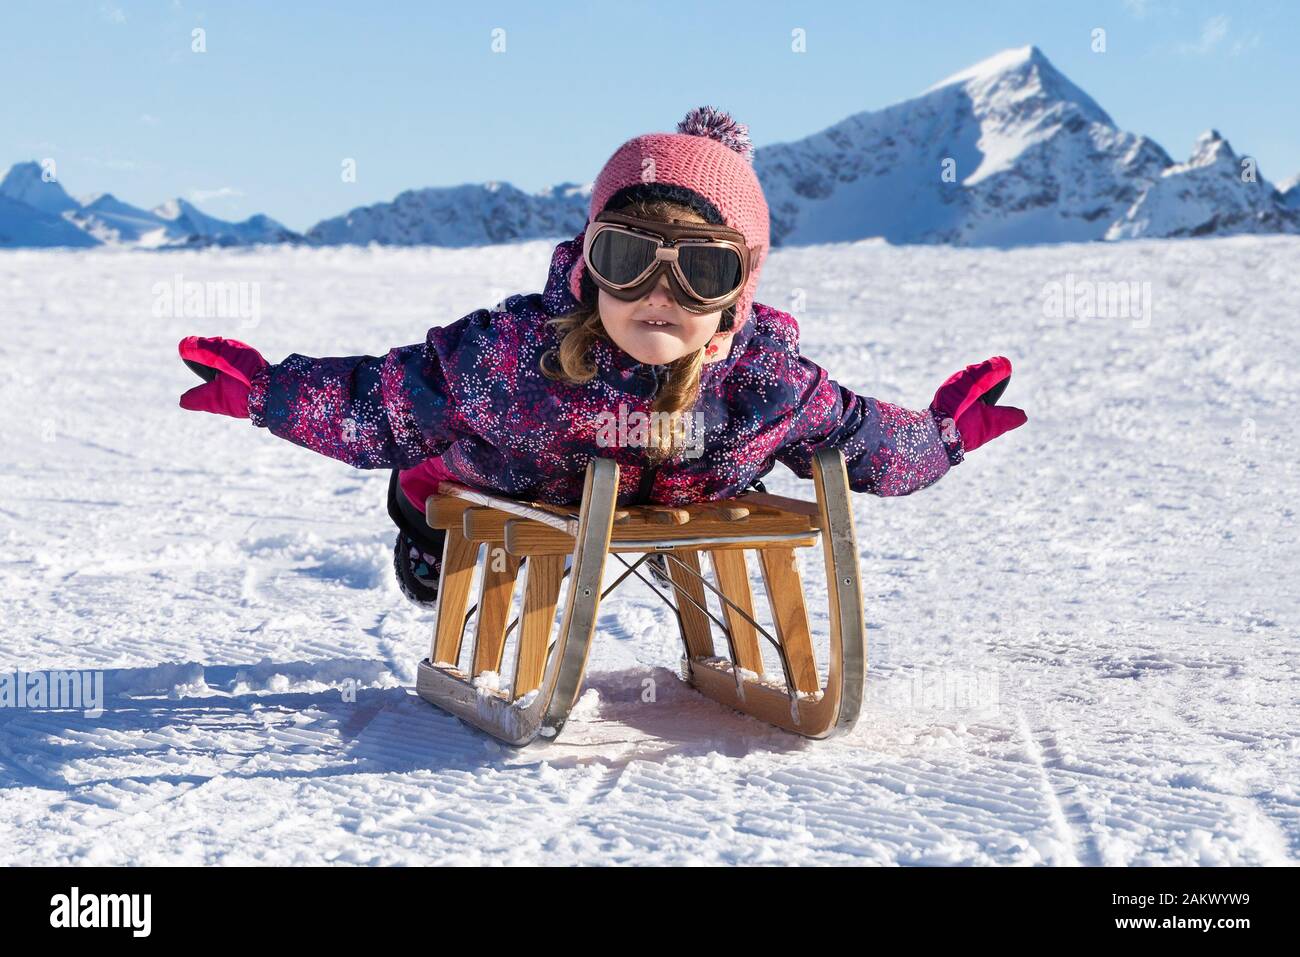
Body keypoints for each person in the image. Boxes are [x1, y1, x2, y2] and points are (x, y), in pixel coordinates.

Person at [178, 107, 1027, 608]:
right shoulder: (513, 357)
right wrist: (267, 393)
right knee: (433, 455)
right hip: (510, 478)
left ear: (737, 293)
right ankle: (421, 512)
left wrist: (943, 435)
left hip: (666, 495)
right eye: (629, 259)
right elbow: (384, 400)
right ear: (589, 269)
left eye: (699, 270)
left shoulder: (769, 385)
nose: (660, 292)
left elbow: (864, 440)